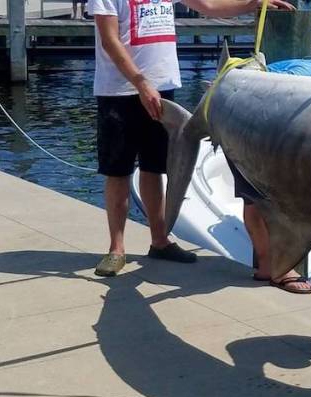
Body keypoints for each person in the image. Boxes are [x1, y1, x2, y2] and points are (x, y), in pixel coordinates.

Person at [90, 0, 295, 277]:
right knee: (118, 171)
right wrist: (141, 83)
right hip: (119, 91)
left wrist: (255, 4)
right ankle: (116, 248)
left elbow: (209, 6)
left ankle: (160, 241)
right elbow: (109, 40)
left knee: (154, 168)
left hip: (162, 88)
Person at [227, 48, 311, 294]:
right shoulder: (305, 78)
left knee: (258, 200)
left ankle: (269, 268)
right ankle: (274, 269)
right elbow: (271, 98)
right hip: (240, 123)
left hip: (257, 125)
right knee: (257, 200)